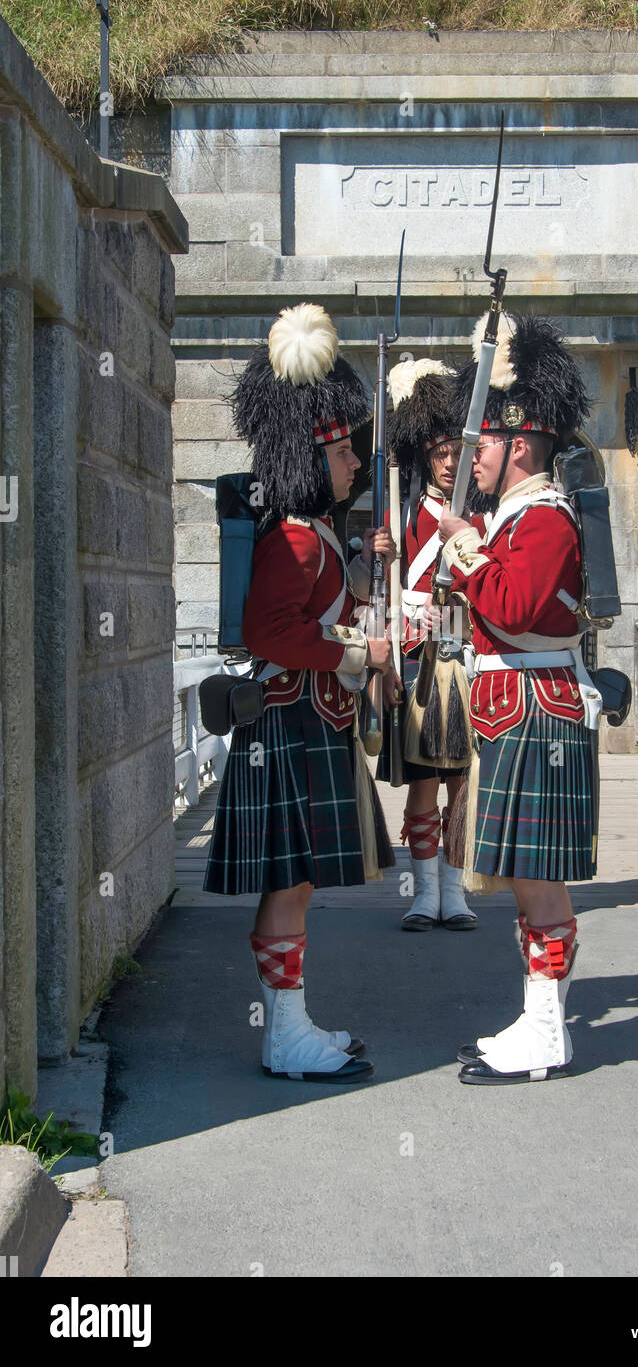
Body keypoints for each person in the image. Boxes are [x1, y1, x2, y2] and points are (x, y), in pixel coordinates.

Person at [204, 303, 398, 1083]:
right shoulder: (292, 537)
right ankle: (285, 1036)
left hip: (301, 723)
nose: (354, 465)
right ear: (317, 458)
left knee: (297, 884)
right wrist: (359, 651)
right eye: (346, 453)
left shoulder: (315, 536)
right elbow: (272, 633)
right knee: (292, 885)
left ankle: (291, 1025)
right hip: (292, 722)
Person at [435, 310, 602, 1086]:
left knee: (538, 880)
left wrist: (466, 551)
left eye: (485, 445)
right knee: (529, 882)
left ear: (521, 446)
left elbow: (515, 608)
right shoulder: (515, 516)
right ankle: (538, 1021)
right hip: (519, 709)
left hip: (537, 710)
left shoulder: (543, 520)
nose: (471, 460)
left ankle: (547, 1031)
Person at [384, 359, 488, 931]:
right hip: (417, 659)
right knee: (424, 783)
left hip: (468, 658)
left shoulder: (486, 516)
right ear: (427, 457)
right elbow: (381, 593)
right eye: (441, 455)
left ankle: (456, 891)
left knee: (463, 784)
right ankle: (423, 894)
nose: (450, 464)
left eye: (458, 453)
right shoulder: (402, 513)